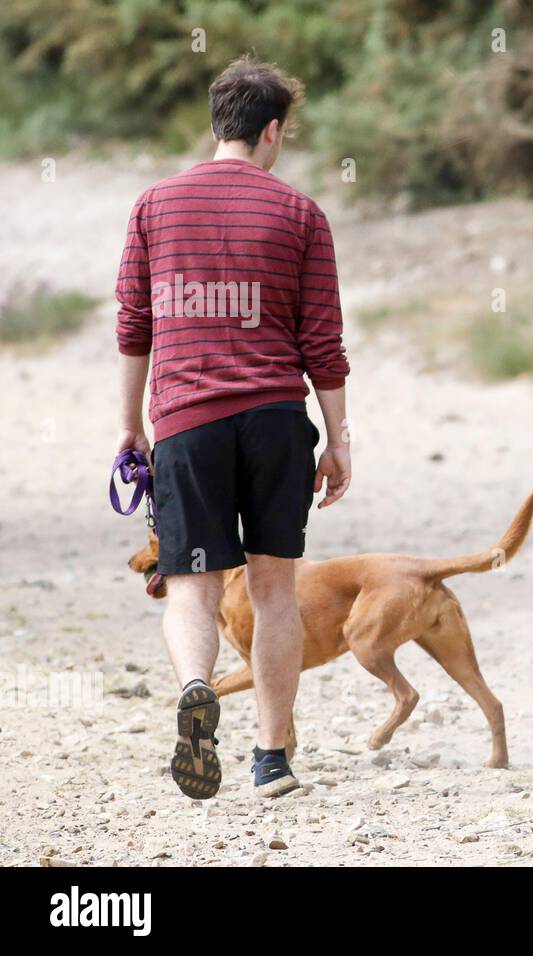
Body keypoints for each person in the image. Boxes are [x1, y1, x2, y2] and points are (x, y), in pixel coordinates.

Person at [114, 55, 352, 799]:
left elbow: (133, 324)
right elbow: (323, 341)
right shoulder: (301, 212)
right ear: (272, 131)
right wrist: (339, 437)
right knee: (275, 588)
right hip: (277, 417)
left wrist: (131, 426)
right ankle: (272, 759)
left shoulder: (153, 205)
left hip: (186, 419)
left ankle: (197, 688)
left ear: (218, 121)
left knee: (191, 586)